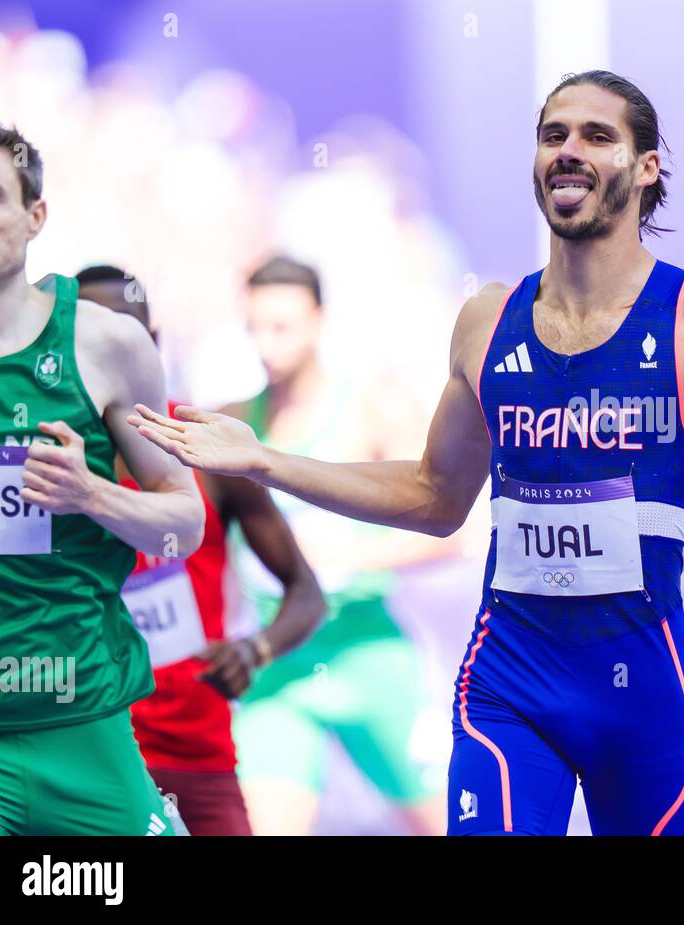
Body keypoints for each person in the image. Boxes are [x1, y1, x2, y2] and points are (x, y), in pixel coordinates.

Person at [130, 71, 684, 836]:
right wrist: (266, 461)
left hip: (647, 692)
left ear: (645, 166)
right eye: (552, 134)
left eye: (596, 135)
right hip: (509, 681)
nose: (568, 150)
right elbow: (435, 496)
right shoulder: (488, 320)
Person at [0, 118, 204, 835]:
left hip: (84, 717)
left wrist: (90, 494)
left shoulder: (106, 343)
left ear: (35, 215)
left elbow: (184, 526)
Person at [76, 264, 325, 836]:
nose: (109, 352)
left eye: (127, 334)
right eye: (91, 338)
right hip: (92, 755)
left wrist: (256, 650)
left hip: (198, 755)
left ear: (155, 345)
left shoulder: (206, 451)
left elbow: (305, 591)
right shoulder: (42, 461)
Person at [223, 256, 451, 835]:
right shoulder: (234, 421)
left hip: (368, 652)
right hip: (279, 662)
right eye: (255, 328)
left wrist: (347, 558)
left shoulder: (372, 405)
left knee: (455, 826)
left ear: (319, 321)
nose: (266, 345)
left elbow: (455, 525)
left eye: (283, 327)